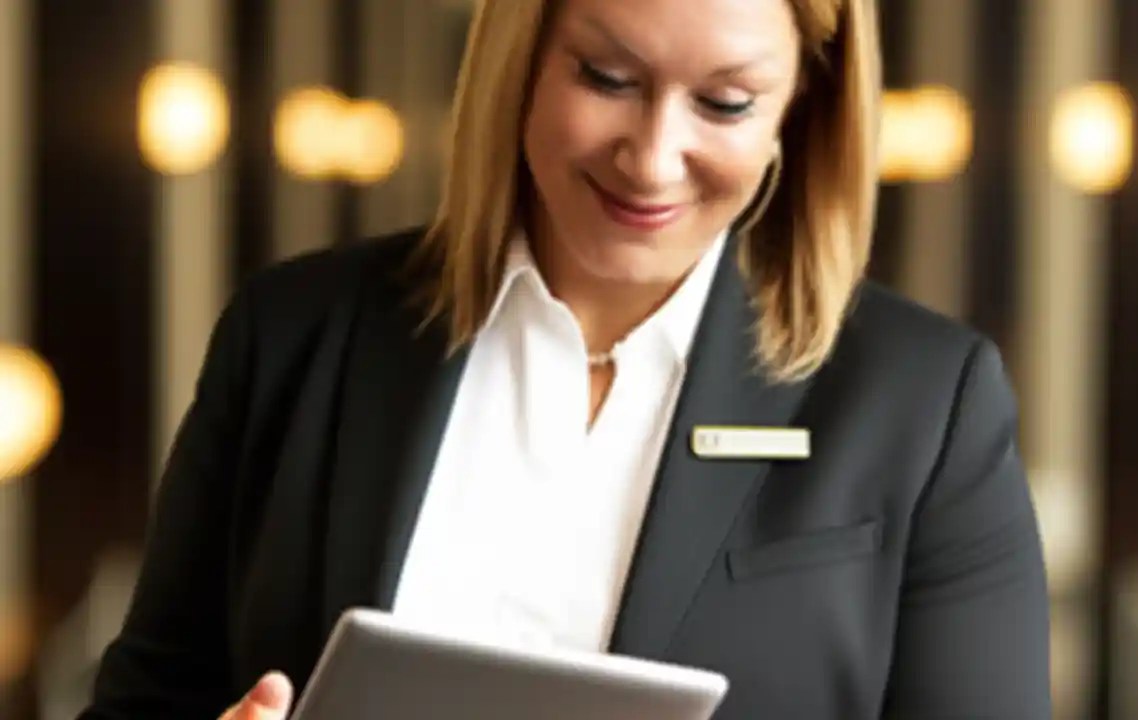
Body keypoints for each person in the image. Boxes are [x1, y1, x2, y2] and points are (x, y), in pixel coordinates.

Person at [80, 0, 1051, 717]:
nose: (652, 158)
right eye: (607, 79)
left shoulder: (923, 403)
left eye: (724, 103)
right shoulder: (293, 335)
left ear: (799, 107)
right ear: (521, 57)